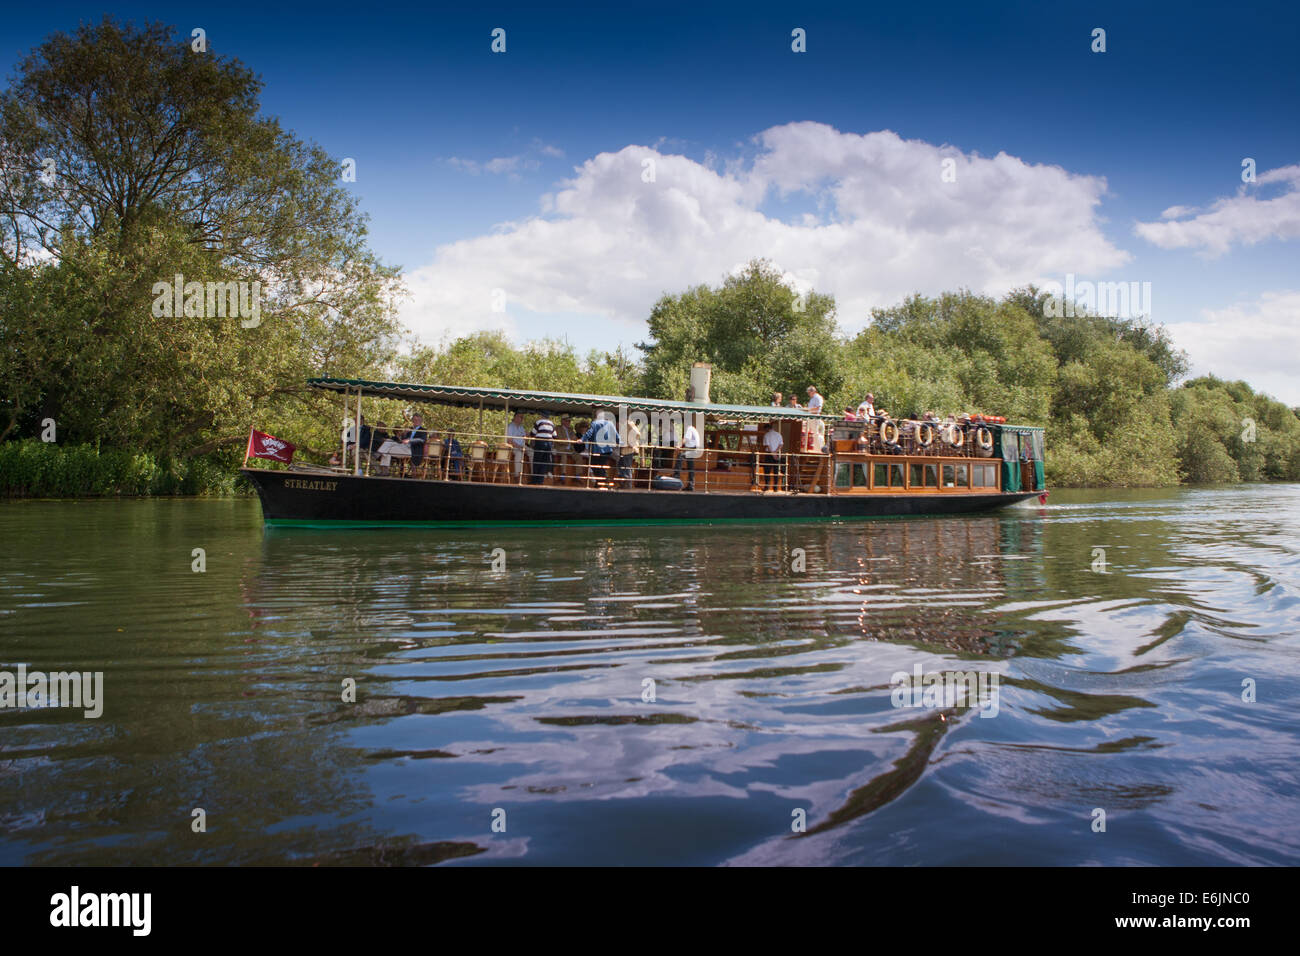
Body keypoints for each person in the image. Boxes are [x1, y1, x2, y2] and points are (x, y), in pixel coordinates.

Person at [581, 412, 620, 481]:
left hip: (597, 450)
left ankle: (604, 480)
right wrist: (620, 442)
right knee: (601, 465)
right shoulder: (610, 424)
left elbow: (589, 434)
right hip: (607, 450)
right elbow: (616, 435)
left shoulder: (595, 423)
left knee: (594, 465)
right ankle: (600, 482)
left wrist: (582, 439)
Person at [672, 417, 701, 491]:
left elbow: (686, 439)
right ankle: (691, 485)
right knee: (691, 466)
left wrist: (679, 446)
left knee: (680, 456)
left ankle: (676, 476)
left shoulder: (689, 429)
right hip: (694, 449)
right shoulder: (693, 429)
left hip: (692, 449)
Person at [530, 414, 556, 484]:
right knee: (544, 462)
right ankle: (540, 481)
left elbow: (533, 433)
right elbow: (555, 435)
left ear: (542, 416)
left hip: (540, 442)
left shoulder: (539, 422)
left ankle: (534, 481)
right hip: (549, 444)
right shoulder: (551, 423)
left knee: (537, 461)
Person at [760, 422, 783, 491]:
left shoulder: (766, 435)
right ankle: (775, 488)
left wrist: (772, 453)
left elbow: (768, 445)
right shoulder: (778, 434)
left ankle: (767, 487)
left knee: (767, 470)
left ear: (767, 428)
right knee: (776, 471)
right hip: (777, 453)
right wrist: (775, 452)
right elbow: (781, 444)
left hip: (769, 454)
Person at [506, 412, 528, 483]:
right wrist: (519, 447)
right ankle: (517, 476)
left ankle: (533, 475)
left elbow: (526, 440)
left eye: (522, 417)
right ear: (515, 417)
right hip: (513, 447)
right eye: (520, 417)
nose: (521, 419)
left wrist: (527, 436)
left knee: (533, 452)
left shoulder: (522, 427)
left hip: (523, 446)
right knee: (519, 453)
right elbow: (509, 440)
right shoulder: (510, 426)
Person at [555, 415, 577, 484]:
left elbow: (575, 439)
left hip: (570, 449)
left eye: (569, 421)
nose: (569, 422)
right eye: (567, 421)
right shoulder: (557, 428)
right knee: (564, 455)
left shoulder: (570, 429)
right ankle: (563, 476)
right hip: (560, 449)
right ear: (563, 421)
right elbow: (559, 440)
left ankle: (578, 477)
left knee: (578, 456)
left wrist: (570, 440)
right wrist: (568, 440)